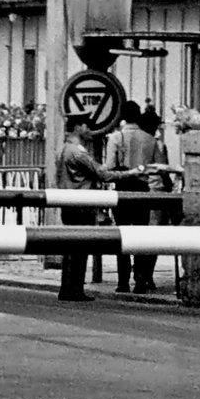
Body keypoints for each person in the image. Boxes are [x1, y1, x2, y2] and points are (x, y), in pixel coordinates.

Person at [55, 113, 141, 302]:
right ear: (78, 127)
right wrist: (131, 173)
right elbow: (102, 174)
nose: (89, 130)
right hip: (82, 204)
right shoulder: (78, 152)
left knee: (69, 249)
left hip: (67, 204)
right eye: (86, 126)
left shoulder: (63, 149)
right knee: (80, 249)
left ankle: (67, 288)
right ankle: (75, 289)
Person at [109, 103, 162, 293]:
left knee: (121, 235)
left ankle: (122, 280)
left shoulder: (115, 138)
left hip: (122, 189)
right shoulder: (150, 139)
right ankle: (140, 279)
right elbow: (159, 168)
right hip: (142, 189)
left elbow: (109, 166)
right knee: (141, 235)